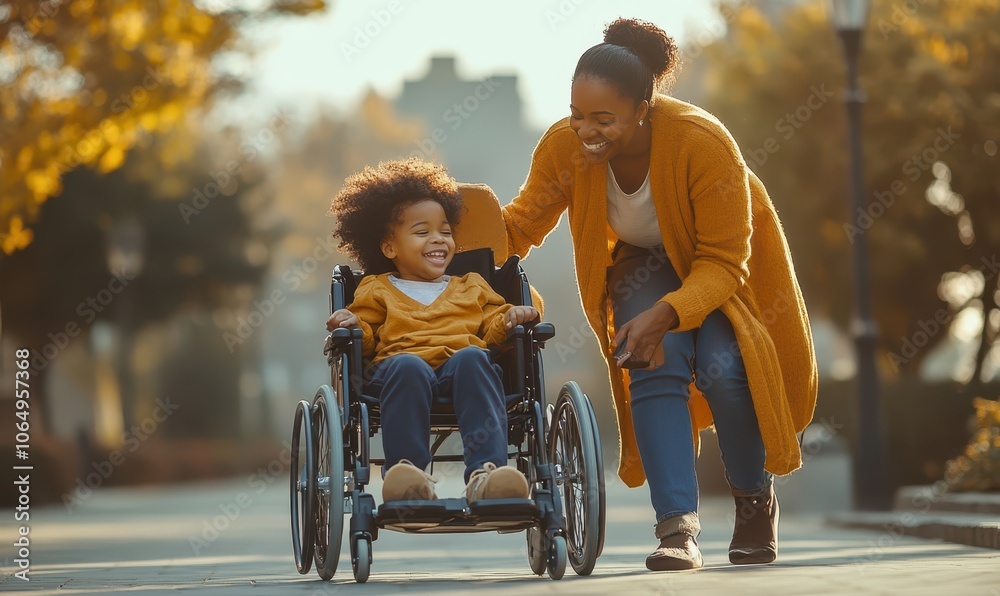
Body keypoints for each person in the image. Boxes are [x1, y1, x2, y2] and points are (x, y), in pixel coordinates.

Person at [501, 18, 818, 570]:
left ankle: (752, 499)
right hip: (641, 263)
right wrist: (438, 230)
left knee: (725, 365)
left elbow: (724, 262)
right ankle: (678, 529)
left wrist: (667, 313)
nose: (586, 131)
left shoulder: (702, 142)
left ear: (643, 107)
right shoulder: (564, 146)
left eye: (604, 119)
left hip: (720, 267)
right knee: (650, 359)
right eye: (577, 114)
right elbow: (521, 225)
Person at [326, 158, 538, 505]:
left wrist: (511, 315)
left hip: (462, 368)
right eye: (422, 232)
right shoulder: (376, 289)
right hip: (398, 371)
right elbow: (364, 330)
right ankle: (409, 474)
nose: (438, 239)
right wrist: (352, 324)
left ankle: (487, 475)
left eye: (445, 231)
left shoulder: (472, 285)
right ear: (390, 247)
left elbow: (492, 324)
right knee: (408, 366)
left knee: (474, 357)